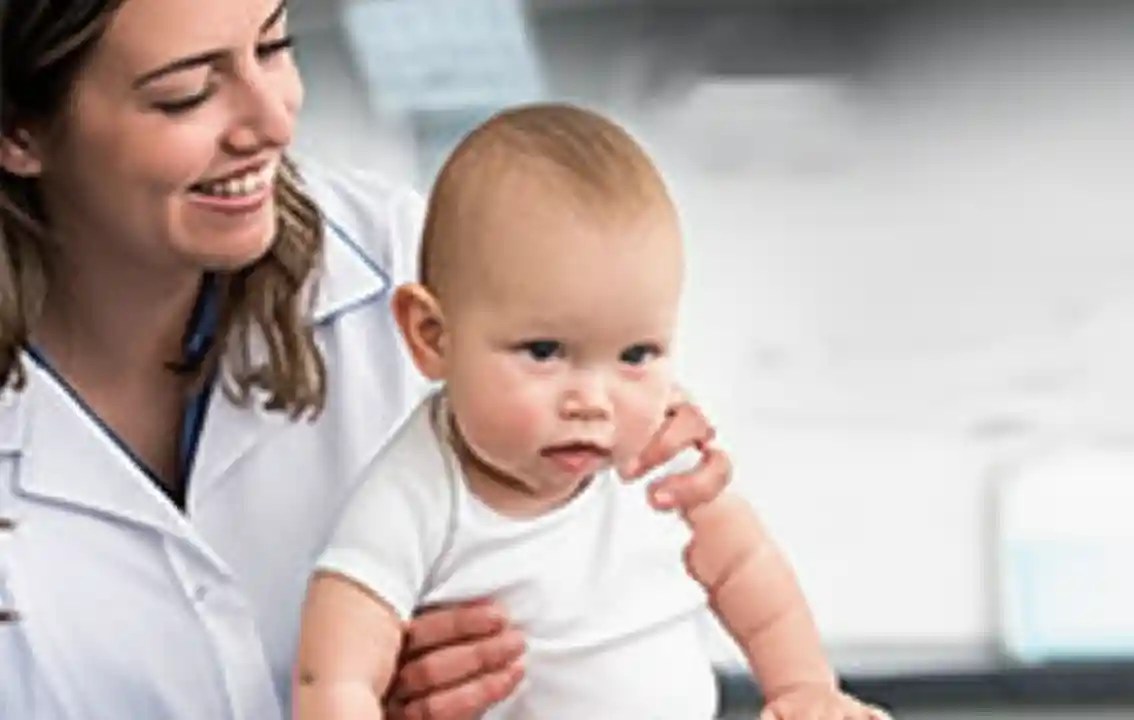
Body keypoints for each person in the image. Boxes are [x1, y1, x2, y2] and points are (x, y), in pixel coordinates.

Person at [0, 2, 730, 719]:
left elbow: (639, 621)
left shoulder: (427, 268)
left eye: (274, 46)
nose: (275, 122)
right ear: (19, 131)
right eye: (185, 94)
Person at [292, 104, 884, 720]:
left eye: (636, 354)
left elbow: (744, 564)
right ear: (433, 337)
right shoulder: (418, 494)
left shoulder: (655, 461)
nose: (593, 403)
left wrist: (803, 687)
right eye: (545, 352)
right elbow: (334, 674)